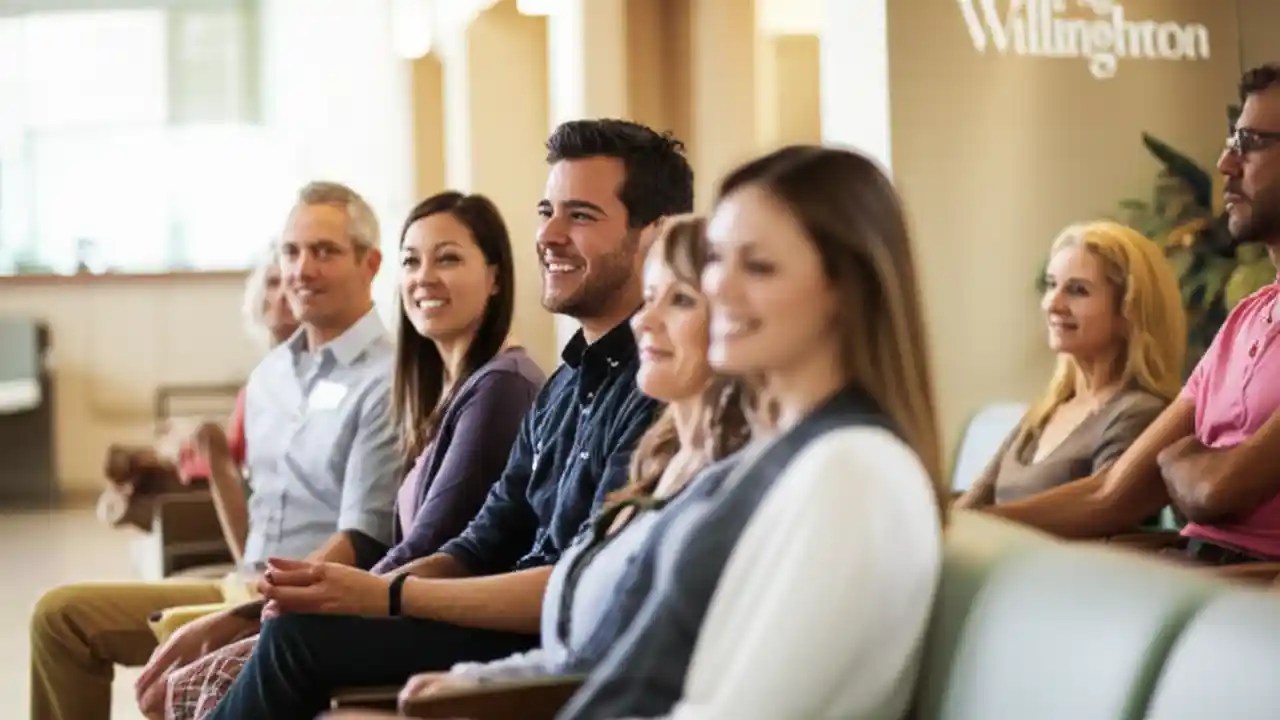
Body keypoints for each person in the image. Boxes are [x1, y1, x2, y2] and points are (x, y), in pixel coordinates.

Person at [202, 118, 693, 719]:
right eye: (547, 211)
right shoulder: (565, 383)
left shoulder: (656, 388)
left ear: (655, 236)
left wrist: (387, 594)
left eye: (582, 216)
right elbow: (480, 539)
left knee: (295, 639)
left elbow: (584, 582)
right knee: (297, 628)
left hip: (550, 645)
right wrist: (363, 594)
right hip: (500, 621)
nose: (549, 235)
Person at [559, 145, 947, 719]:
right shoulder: (781, 452)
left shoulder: (853, 474)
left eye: (759, 266)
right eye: (717, 259)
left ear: (847, 288)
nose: (720, 288)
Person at [160, 191, 547, 720]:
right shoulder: (447, 389)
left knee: (282, 638)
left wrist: (268, 609)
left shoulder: (501, 387)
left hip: (454, 622)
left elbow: (438, 547)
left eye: (449, 258)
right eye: (413, 260)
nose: (424, 277)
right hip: (329, 588)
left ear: (496, 277)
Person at [29, 181, 403, 720]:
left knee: (174, 650)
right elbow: (253, 511)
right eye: (291, 252)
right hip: (242, 580)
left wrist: (257, 605)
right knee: (59, 617)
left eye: (325, 251)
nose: (302, 269)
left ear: (370, 265)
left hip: (303, 607)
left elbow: (361, 539)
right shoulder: (271, 375)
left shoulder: (386, 380)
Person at [397, 216, 754, 705]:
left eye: (682, 300)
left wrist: (389, 596)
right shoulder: (661, 460)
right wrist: (478, 679)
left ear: (734, 321)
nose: (643, 321)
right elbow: (584, 645)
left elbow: (647, 676)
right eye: (650, 297)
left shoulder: (730, 481)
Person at [987, 63, 1280, 564]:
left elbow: (1220, 492)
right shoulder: (1245, 318)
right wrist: (952, 527)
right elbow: (1110, 495)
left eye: (1250, 142)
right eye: (1233, 141)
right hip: (1200, 571)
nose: (1225, 164)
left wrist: (1181, 457)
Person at [956, 221, 1185, 509]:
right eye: (1052, 285)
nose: (1053, 303)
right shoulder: (1044, 412)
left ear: (1129, 312)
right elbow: (970, 506)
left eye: (1077, 290)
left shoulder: (1139, 412)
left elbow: (1099, 514)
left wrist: (984, 525)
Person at [96, 247, 299, 538]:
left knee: (164, 463)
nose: (280, 294)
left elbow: (244, 456)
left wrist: (195, 442)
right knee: (171, 442)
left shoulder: (297, 374)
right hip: (228, 470)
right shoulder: (264, 376)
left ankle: (141, 476)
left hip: (238, 484)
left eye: (286, 282)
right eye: (271, 282)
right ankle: (146, 467)